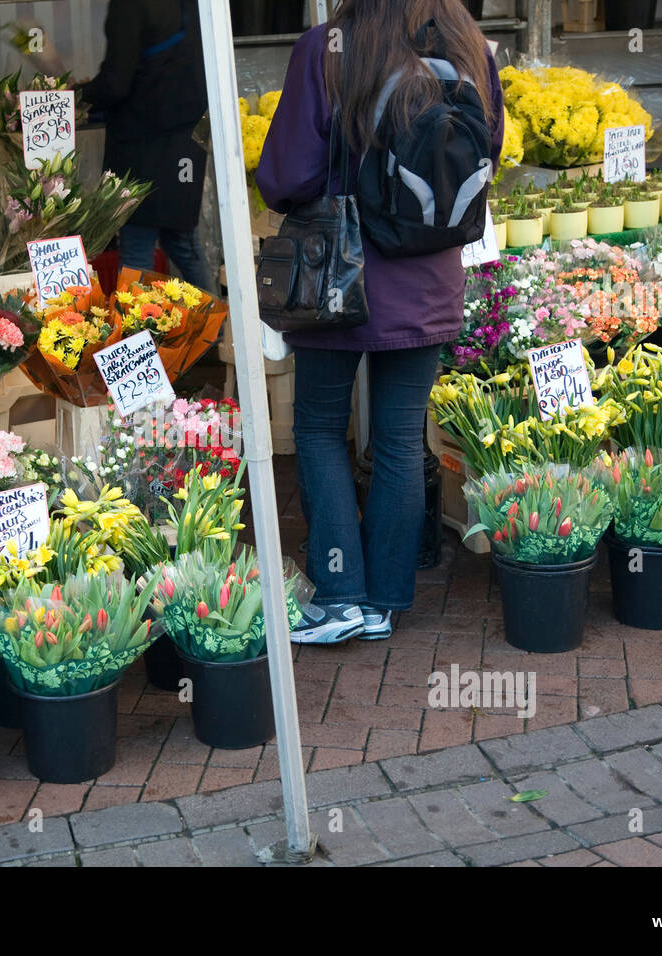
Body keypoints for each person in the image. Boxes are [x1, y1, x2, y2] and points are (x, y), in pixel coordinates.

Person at [255, 0, 503, 644]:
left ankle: (339, 596)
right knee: (398, 441)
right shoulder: (469, 43)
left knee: (316, 430)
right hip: (430, 278)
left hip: (340, 276)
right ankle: (384, 601)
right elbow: (486, 153)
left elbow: (287, 174)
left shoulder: (329, 47)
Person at [79, 0, 215, 293]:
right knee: (182, 242)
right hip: (186, 141)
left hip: (142, 142)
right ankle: (212, 330)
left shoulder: (129, 5)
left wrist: (77, 95)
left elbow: (117, 83)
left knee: (137, 247)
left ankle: (138, 334)